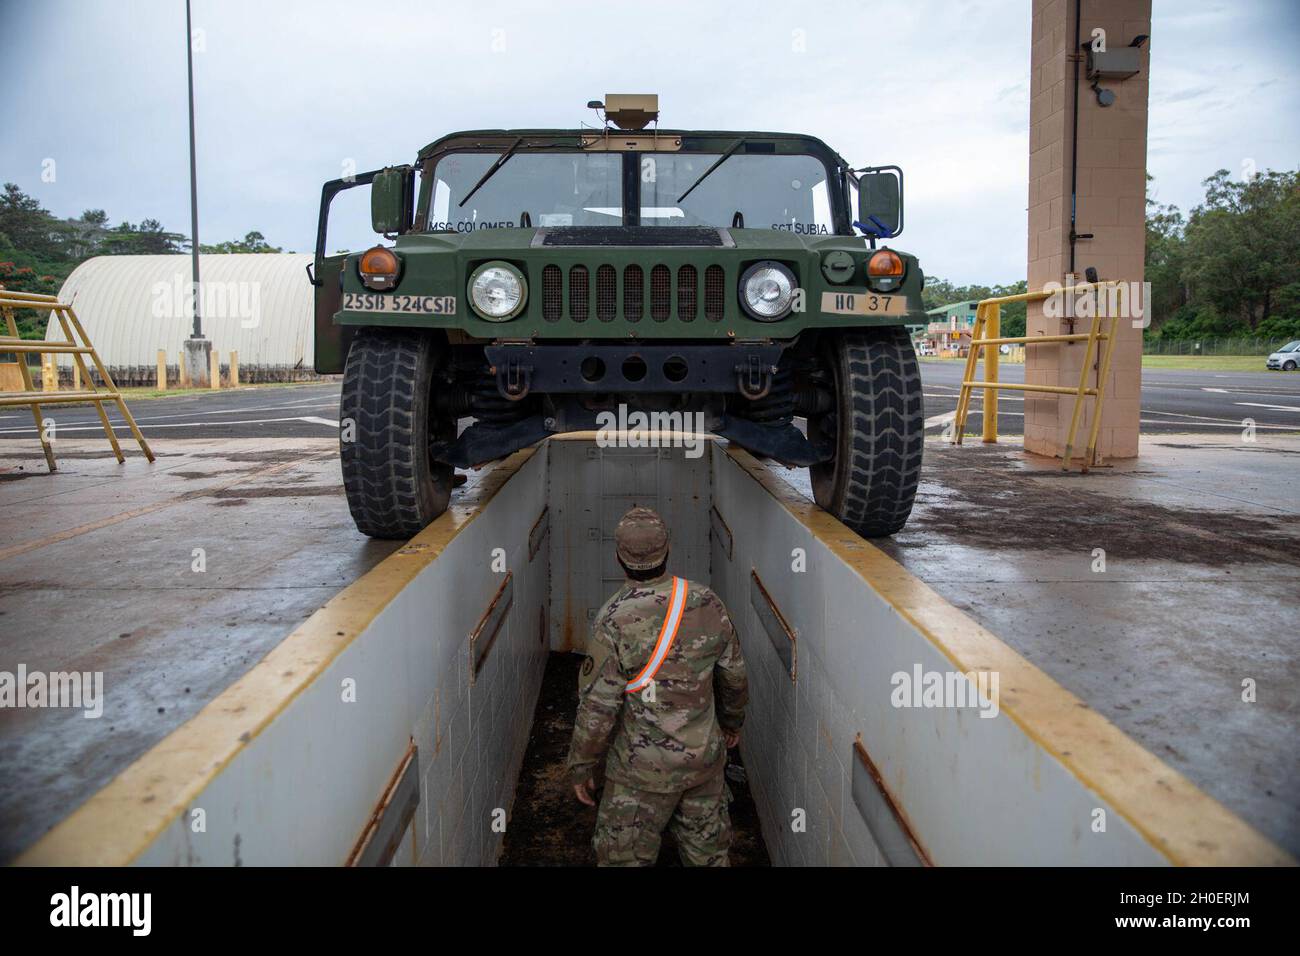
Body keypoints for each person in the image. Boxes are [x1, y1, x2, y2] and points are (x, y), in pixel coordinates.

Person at [565, 505, 748, 866]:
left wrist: (581, 765)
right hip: (703, 765)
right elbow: (734, 675)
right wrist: (731, 723)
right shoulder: (706, 602)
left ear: (619, 557)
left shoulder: (613, 618)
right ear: (668, 550)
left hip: (639, 775)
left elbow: (599, 707)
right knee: (710, 858)